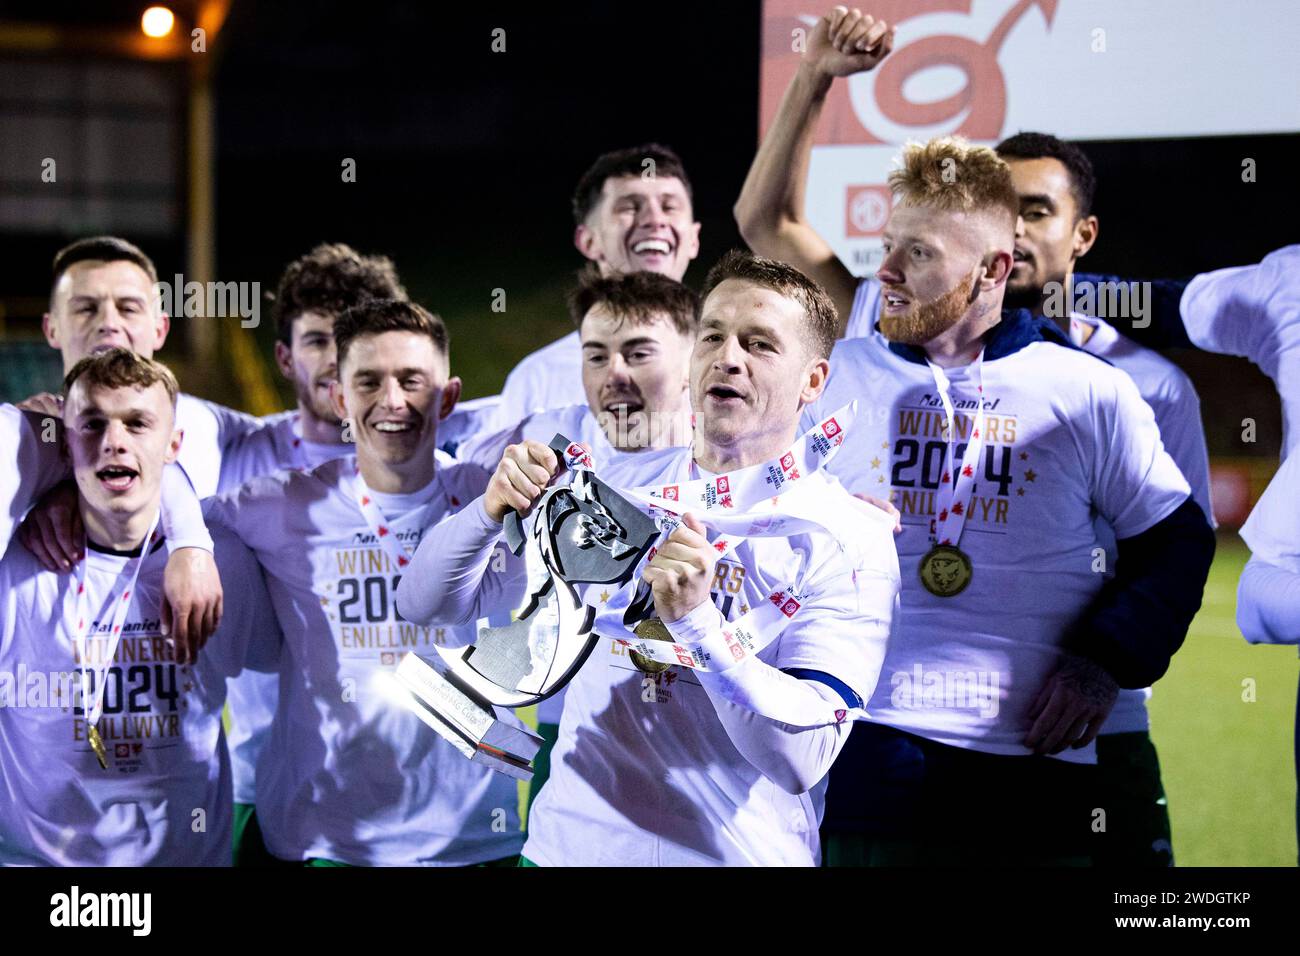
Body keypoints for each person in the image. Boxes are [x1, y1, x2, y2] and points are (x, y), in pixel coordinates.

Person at [398, 250, 901, 866]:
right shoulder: (614, 488)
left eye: (761, 344)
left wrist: (699, 626)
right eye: (713, 335)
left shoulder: (848, 536)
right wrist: (487, 510)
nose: (729, 357)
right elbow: (422, 604)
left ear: (814, 381)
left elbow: (800, 761)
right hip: (566, 853)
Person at [802, 136, 1214, 865]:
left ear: (993, 268)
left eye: (919, 253)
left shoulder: (1088, 389)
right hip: (862, 751)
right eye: (886, 246)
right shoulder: (831, 375)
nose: (887, 273)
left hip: (1034, 766)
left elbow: (1176, 542)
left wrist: (1102, 660)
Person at [205, 298, 523, 866]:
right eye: (369, 382)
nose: (392, 401)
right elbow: (157, 515)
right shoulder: (284, 502)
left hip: (475, 837)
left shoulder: (492, 496)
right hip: (328, 842)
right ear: (340, 399)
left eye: (412, 380)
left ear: (447, 397)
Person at [995, 130, 1213, 866]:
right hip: (934, 724)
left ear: (1083, 234)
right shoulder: (912, 360)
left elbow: (1179, 550)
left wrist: (1101, 663)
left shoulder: (1151, 385)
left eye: (1035, 210)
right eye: (995, 208)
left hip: (1100, 726)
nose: (1012, 229)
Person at [0, 349, 275, 865]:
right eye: (93, 423)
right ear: (64, 445)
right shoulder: (13, 570)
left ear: (173, 445)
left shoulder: (226, 565)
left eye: (137, 423)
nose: (114, 440)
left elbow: (288, 665)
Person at [458, 269, 699, 815]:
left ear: (691, 362)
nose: (614, 373)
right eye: (596, 356)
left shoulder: (738, 469)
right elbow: (446, 481)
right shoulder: (549, 443)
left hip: (697, 762)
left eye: (639, 353)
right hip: (571, 744)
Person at [496, 144, 702, 424]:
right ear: (588, 241)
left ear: (693, 238)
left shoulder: (734, 363)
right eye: (630, 206)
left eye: (669, 206)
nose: (655, 220)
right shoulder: (538, 380)